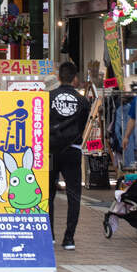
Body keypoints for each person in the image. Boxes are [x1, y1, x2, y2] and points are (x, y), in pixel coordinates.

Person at [46, 60, 92, 250]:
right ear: (75, 79)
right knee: (74, 194)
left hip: (51, 150)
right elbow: (84, 125)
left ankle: (50, 235)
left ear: (58, 78)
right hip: (73, 149)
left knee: (48, 194)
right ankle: (69, 238)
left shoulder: (48, 97)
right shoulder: (83, 101)